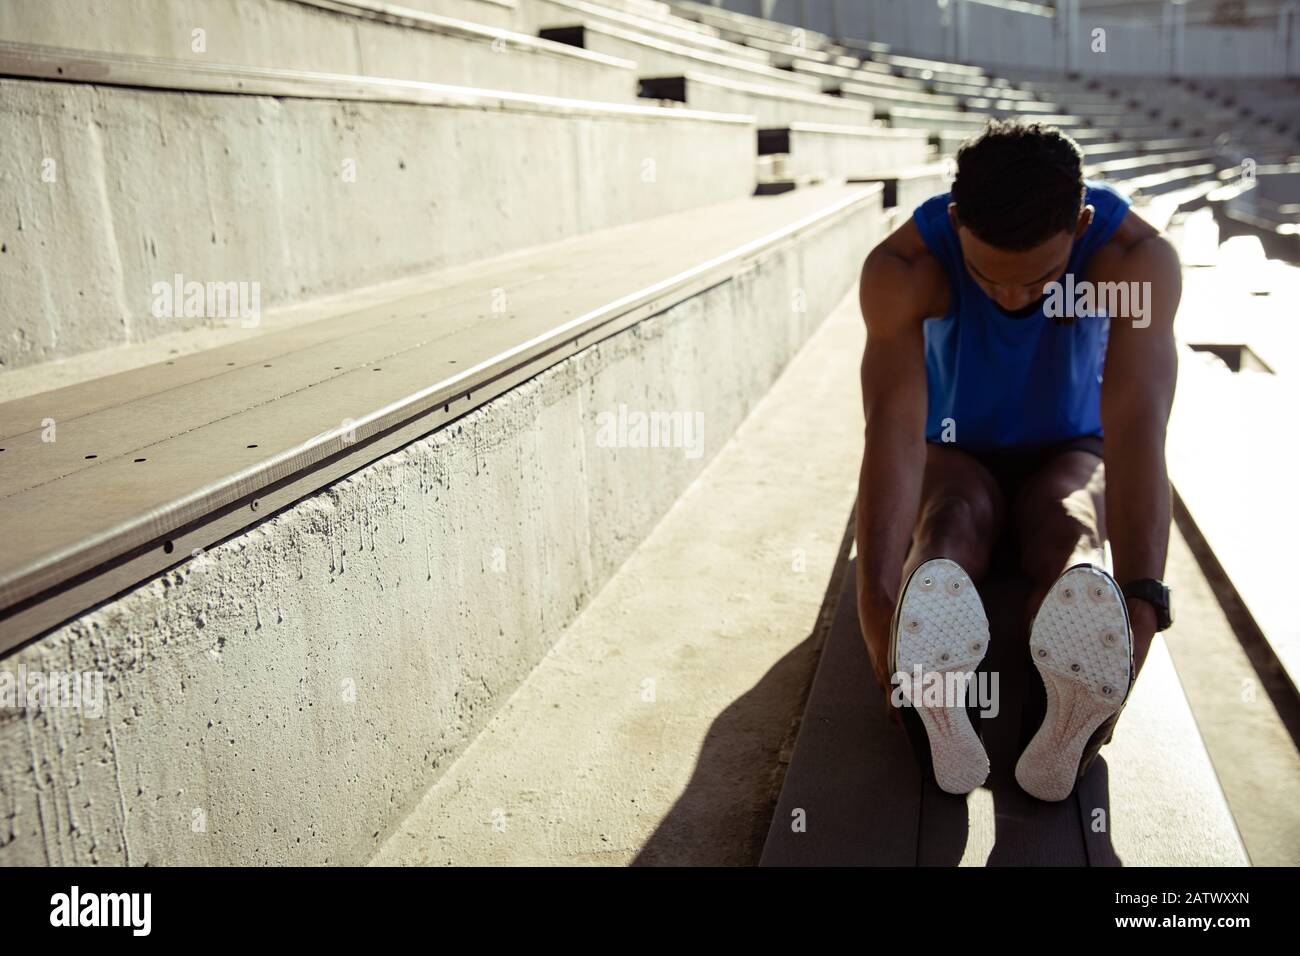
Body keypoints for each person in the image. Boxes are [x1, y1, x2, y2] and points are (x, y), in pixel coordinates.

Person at [854, 120, 1180, 799]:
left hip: (1069, 446)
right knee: (949, 522)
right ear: (954, 221)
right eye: (985, 277)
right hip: (954, 448)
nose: (1009, 297)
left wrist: (1143, 601)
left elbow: (1138, 433)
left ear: (1082, 224)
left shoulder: (1132, 260)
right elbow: (890, 431)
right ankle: (935, 690)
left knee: (1073, 526)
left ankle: (1070, 690)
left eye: (1036, 280)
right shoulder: (903, 268)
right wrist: (878, 606)